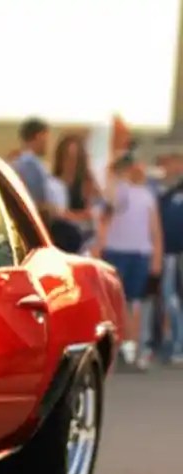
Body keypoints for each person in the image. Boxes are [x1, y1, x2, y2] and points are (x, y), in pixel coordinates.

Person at [96, 153, 165, 370]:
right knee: (117, 301)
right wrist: (114, 173)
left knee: (136, 302)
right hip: (116, 252)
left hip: (140, 254)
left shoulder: (147, 195)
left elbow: (155, 230)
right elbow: (106, 213)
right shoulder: (116, 193)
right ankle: (121, 347)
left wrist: (156, 260)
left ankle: (134, 348)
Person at [49, 134, 102, 253]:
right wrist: (80, 216)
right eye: (68, 157)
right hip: (62, 246)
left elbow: (96, 215)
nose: (71, 163)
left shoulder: (87, 185)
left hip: (85, 247)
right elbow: (57, 214)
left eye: (75, 158)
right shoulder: (53, 185)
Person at [155, 152, 183, 364]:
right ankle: (173, 343)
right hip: (168, 254)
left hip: (177, 254)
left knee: (173, 299)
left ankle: (178, 345)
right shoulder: (165, 194)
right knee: (169, 299)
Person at [11, 117, 55, 214]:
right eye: (46, 138)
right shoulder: (31, 165)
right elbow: (38, 200)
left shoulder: (16, 163)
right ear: (39, 136)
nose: (48, 143)